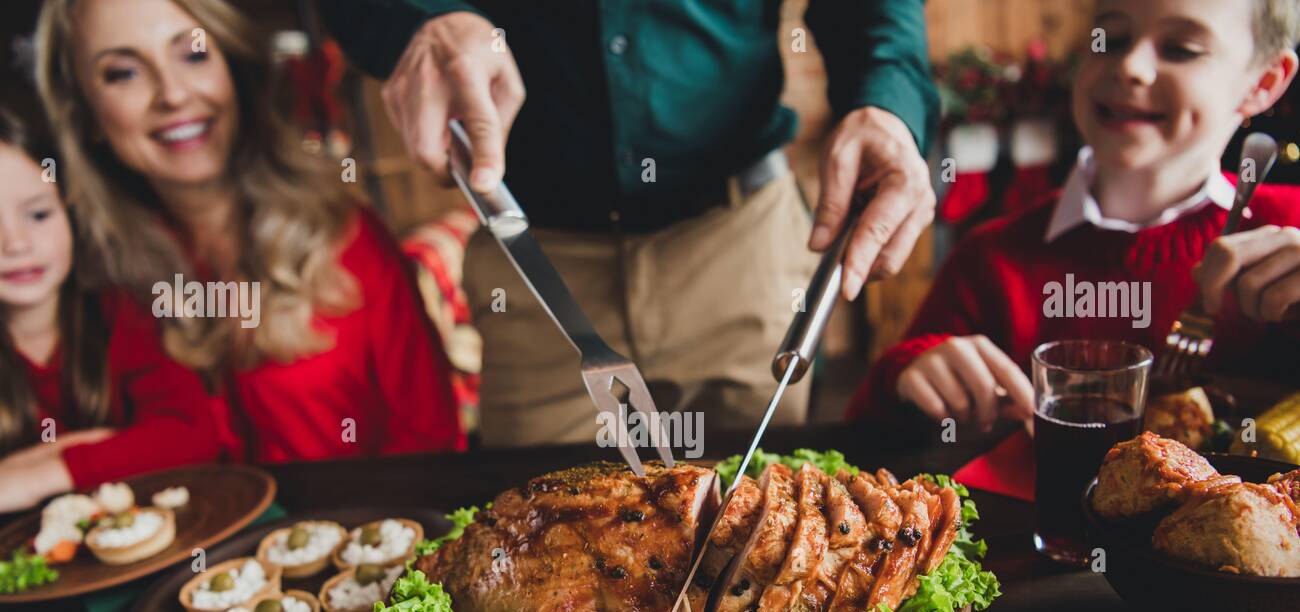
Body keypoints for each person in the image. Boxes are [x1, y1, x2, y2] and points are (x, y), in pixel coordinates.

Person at [321, 1, 939, 446]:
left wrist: (889, 104)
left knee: (760, 546)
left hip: (740, 241)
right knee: (534, 547)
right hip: (538, 269)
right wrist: (418, 18)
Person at [35, 0, 464, 466]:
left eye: (194, 55)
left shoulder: (344, 232)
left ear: (233, 69)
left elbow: (432, 443)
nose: (173, 94)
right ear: (86, 113)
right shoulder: (96, 276)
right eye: (123, 73)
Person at [850, 0, 1300, 428]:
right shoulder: (990, 259)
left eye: (1181, 49)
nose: (1129, 66)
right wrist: (908, 378)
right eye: (1114, 38)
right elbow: (863, 426)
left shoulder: (1289, 231)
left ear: (1263, 82)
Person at [0, 106, 219, 513]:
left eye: (38, 214)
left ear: (72, 213)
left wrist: (45, 469)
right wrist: (114, 449)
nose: (15, 244)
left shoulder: (120, 312)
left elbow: (190, 434)